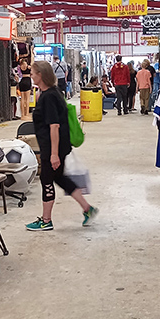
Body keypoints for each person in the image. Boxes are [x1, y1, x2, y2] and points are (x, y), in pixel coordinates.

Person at [26, 60, 98, 231]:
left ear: (40, 75)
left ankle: (46, 220)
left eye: (33, 73)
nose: (31, 76)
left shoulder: (49, 97)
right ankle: (87, 209)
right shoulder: (51, 93)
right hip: (56, 146)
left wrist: (53, 154)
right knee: (59, 178)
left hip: (53, 147)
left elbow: (54, 126)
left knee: (47, 180)